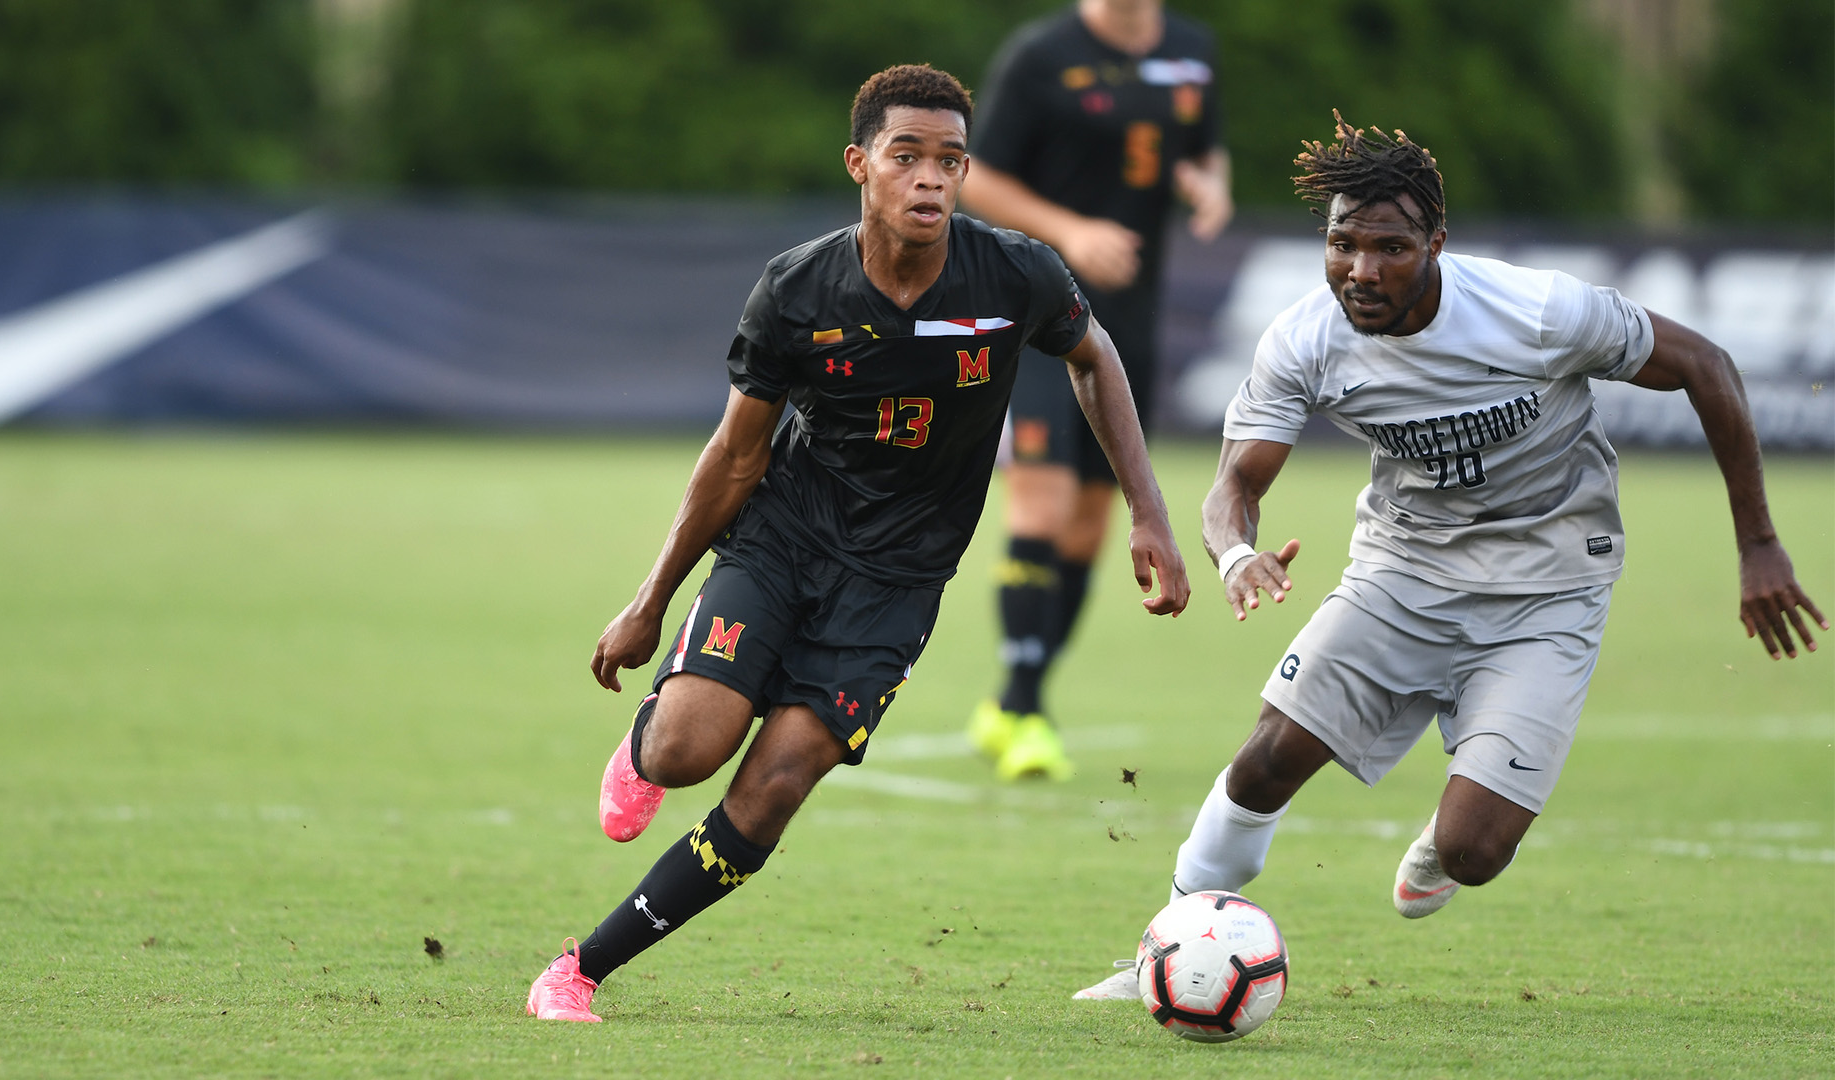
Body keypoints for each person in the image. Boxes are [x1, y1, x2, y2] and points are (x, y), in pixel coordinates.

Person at [1075, 113, 1827, 1000]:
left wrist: (1760, 544)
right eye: (1342, 244)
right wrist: (1236, 552)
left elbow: (1705, 364)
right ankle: (1164, 948)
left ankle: (1444, 839)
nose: (1361, 270)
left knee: (1476, 852)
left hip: (1549, 586)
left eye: (1389, 248)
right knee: (1268, 756)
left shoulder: (1539, 312)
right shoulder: (1307, 339)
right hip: (1402, 572)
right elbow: (1234, 482)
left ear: (1436, 243)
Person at [523, 64, 1192, 1023]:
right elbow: (735, 456)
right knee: (684, 752)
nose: (930, 178)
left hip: (900, 581)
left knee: (775, 786)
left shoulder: (1016, 274)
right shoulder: (797, 289)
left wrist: (1149, 511)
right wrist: (650, 601)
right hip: (783, 540)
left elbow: (1095, 358)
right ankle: (642, 748)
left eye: (950, 161)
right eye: (906, 156)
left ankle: (578, 970)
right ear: (860, 164)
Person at [961, 0, 1232, 781]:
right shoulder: (1042, 55)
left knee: (1086, 525)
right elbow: (977, 176)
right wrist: (1069, 232)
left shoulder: (1193, 51)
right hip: (1038, 313)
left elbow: (1206, 151)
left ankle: (1018, 694)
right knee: (1040, 502)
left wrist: (1209, 186)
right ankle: (1023, 711)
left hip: (1130, 323)